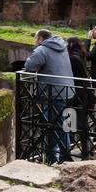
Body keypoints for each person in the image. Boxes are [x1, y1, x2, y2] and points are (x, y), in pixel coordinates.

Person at [24, 29, 74, 164]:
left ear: (40, 38)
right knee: (63, 124)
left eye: (35, 39)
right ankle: (61, 155)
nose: (35, 42)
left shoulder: (42, 50)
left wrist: (35, 51)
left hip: (52, 92)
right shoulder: (62, 48)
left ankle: (57, 157)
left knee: (52, 125)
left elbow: (29, 65)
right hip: (67, 90)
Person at [66, 36, 92, 158]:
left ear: (70, 44)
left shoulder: (72, 58)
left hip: (76, 93)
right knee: (82, 124)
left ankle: (70, 150)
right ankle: (86, 149)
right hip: (84, 92)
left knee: (72, 122)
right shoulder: (81, 55)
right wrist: (89, 38)